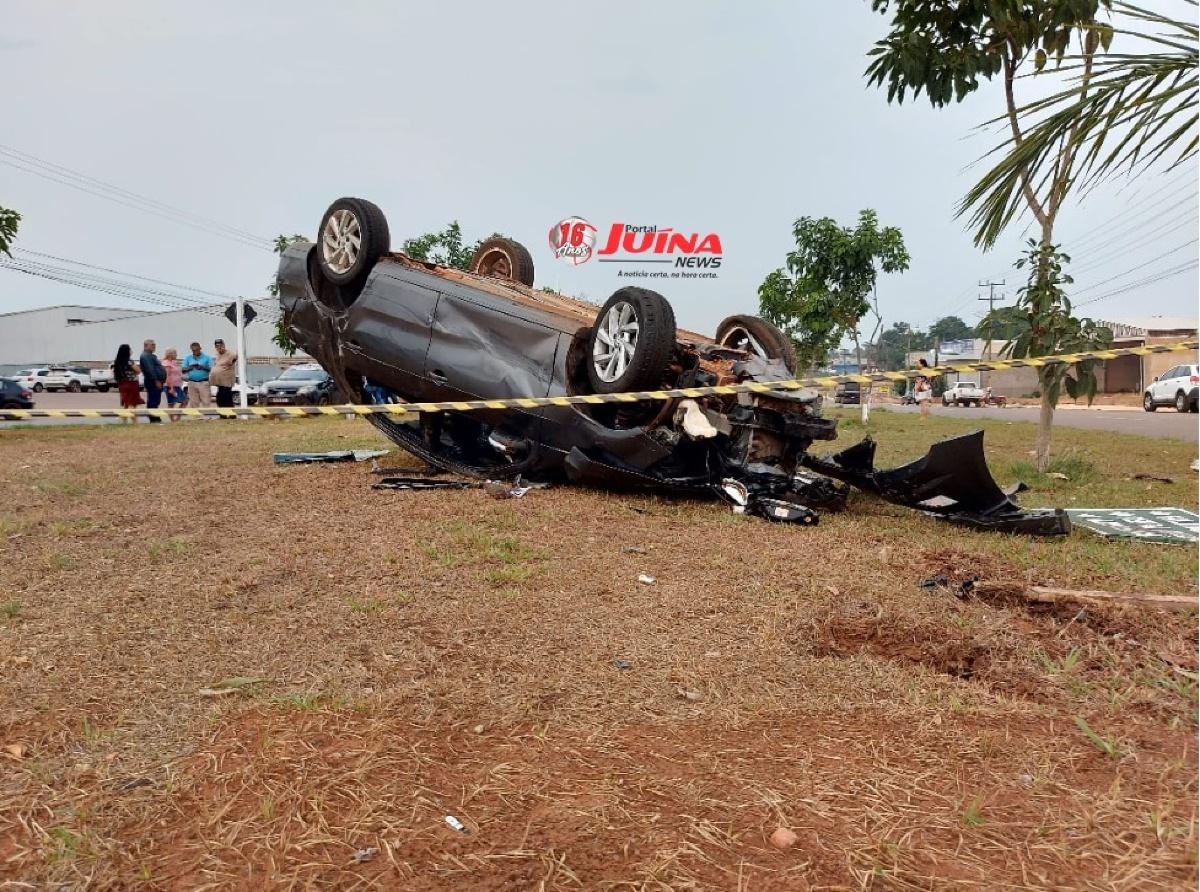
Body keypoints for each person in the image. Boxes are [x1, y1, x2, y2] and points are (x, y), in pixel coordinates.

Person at [112, 344, 142, 423]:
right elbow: (138, 370)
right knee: (133, 402)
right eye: (130, 349)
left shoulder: (117, 361)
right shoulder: (129, 361)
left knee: (126, 402)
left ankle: (124, 421)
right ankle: (135, 421)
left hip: (122, 383)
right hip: (132, 383)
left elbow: (114, 373)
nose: (131, 351)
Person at [139, 339, 166, 423]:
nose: (154, 347)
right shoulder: (145, 356)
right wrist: (156, 380)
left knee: (156, 399)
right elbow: (150, 370)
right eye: (152, 345)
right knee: (153, 400)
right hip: (153, 381)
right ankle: (153, 417)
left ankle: (154, 415)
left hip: (156, 381)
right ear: (146, 345)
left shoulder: (150, 355)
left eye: (154, 345)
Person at [182, 342, 213, 410]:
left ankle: (206, 417)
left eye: (197, 350)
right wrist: (190, 367)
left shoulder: (207, 358)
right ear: (191, 350)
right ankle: (196, 418)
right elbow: (183, 370)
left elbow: (212, 369)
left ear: (200, 348)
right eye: (193, 350)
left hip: (203, 382)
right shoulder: (188, 358)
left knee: (206, 401)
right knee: (194, 402)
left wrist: (203, 367)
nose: (195, 351)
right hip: (191, 382)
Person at [210, 338, 238, 412]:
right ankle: (223, 413)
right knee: (220, 396)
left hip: (227, 380)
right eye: (217, 346)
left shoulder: (230, 354)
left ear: (224, 345)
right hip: (219, 381)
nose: (219, 347)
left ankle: (231, 414)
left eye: (220, 345)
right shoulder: (217, 355)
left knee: (226, 396)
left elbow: (234, 359)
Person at [162, 348, 185, 421]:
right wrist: (171, 388)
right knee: (171, 403)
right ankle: (173, 420)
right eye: (175, 353)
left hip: (177, 386)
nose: (176, 355)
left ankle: (177, 418)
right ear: (170, 354)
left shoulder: (173, 362)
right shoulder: (166, 363)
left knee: (184, 401)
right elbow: (167, 376)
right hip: (171, 386)